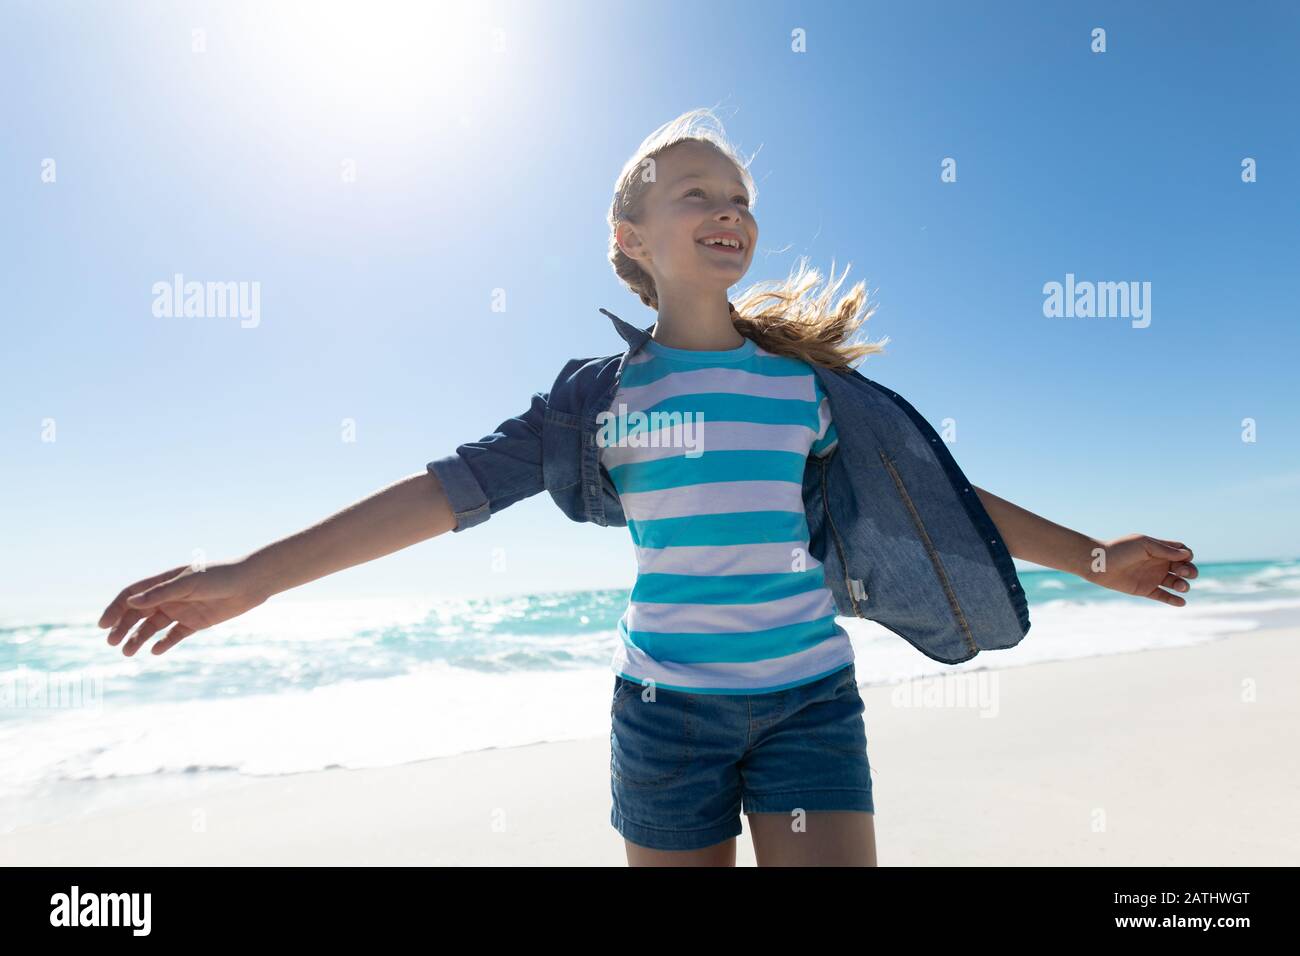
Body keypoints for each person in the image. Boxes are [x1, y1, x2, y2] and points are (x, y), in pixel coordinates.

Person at [98, 108, 1198, 868]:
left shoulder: (803, 387)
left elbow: (937, 493)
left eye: (739, 195)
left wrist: (1097, 556)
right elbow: (443, 492)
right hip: (664, 713)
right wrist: (254, 576)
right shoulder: (597, 401)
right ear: (632, 238)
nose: (728, 209)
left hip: (810, 701)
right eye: (695, 194)